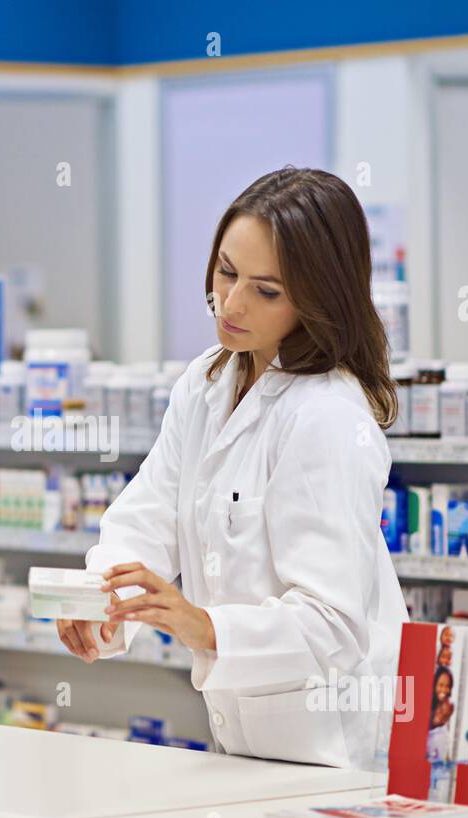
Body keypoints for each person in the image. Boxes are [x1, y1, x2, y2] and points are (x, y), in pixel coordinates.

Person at [56, 167, 408, 770]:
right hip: (246, 742)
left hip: (338, 748)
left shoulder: (326, 416)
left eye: (266, 290)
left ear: (319, 298)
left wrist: (206, 628)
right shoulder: (209, 379)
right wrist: (100, 602)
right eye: (226, 271)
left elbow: (333, 625)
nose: (232, 302)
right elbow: (149, 519)